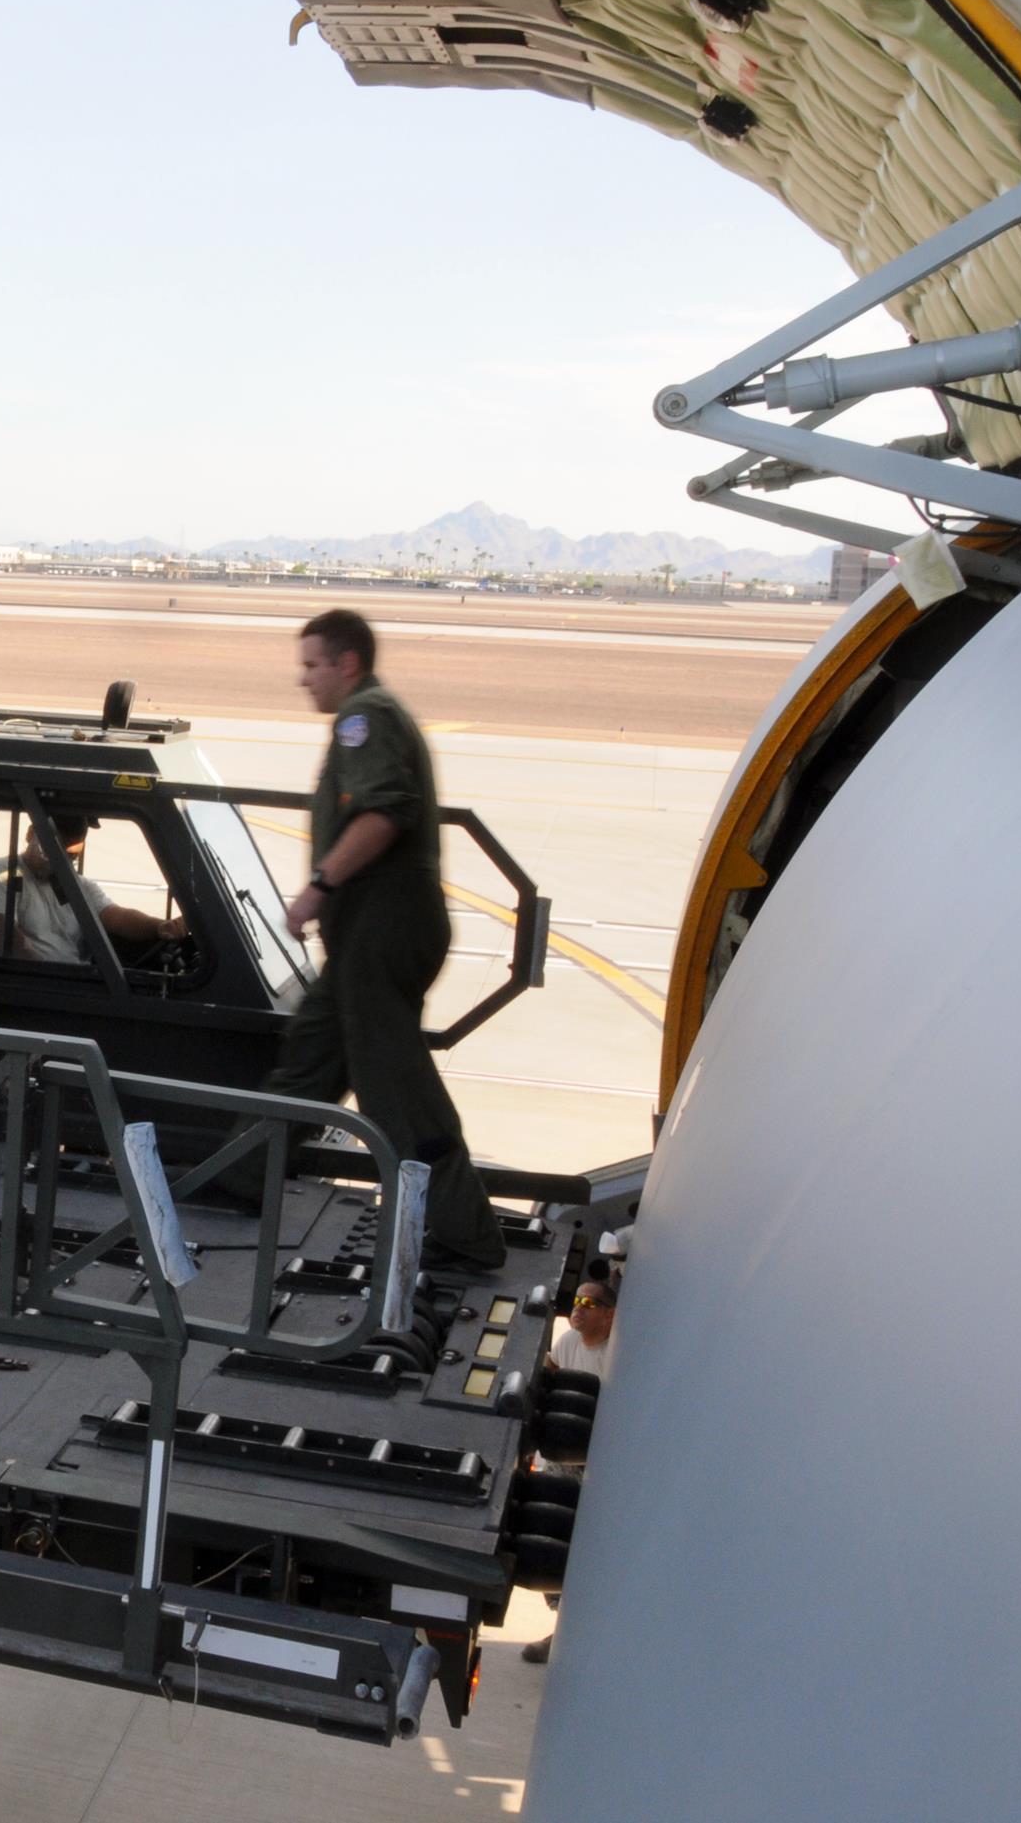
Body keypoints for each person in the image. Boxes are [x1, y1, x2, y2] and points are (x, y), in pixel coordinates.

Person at [272, 609, 509, 1277]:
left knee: (395, 1089)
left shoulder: (364, 718)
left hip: (384, 927)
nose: (304, 679)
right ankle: (235, 1181)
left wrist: (318, 885)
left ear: (347, 663)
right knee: (310, 1055)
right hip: (366, 936)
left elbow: (382, 812)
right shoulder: (367, 716)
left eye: (313, 664)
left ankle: (465, 1232)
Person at [521, 1276, 616, 1665]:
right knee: (551, 1541)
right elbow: (546, 1380)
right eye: (577, 1300)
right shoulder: (567, 1342)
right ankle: (563, 1628)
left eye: (590, 1304)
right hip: (560, 1463)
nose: (578, 1307)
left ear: (610, 1316)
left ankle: (574, 1634)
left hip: (597, 1468)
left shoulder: (615, 1354)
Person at [0, 813, 187, 964]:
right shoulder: (2, 875)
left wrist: (159, 927)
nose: (59, 862)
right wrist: (53, 979)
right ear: (29, 835)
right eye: (50, 852)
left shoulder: (75, 885)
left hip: (74, 979)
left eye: (71, 854)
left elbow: (116, 917)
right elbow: (6, 938)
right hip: (33, 986)